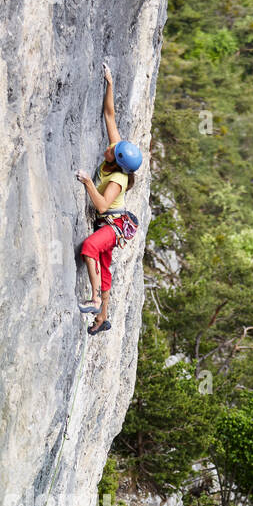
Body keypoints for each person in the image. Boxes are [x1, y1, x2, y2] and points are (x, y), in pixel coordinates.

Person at [76, 63, 143, 336]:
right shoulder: (119, 151)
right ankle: (102, 317)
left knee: (90, 248)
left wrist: (89, 182)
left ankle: (94, 300)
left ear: (117, 163)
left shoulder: (117, 180)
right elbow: (109, 115)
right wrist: (110, 84)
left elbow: (102, 206)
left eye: (111, 151)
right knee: (104, 269)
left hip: (111, 227)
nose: (108, 147)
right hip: (109, 224)